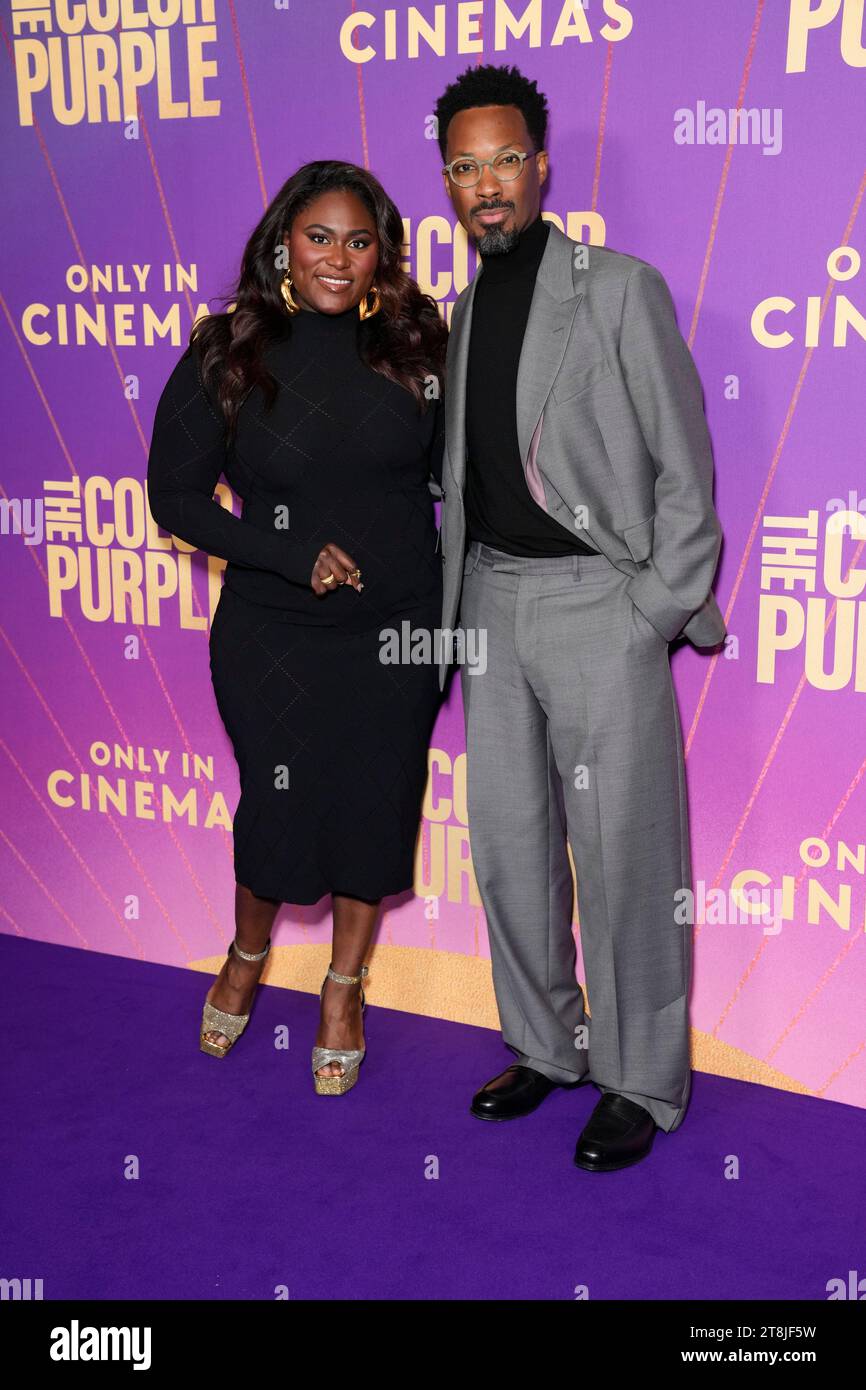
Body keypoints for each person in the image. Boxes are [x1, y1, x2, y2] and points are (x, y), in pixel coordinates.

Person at [433, 64, 726, 1170]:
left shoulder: (617, 288)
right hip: (490, 612)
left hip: (598, 606)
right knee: (509, 853)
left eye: (504, 160)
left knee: (623, 857)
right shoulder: (460, 311)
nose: (486, 185)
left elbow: (684, 477)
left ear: (542, 164)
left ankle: (640, 1081)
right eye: (463, 168)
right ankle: (544, 1046)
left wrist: (649, 609)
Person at [146, 161, 447, 1096]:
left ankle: (344, 989)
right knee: (276, 805)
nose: (339, 259)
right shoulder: (229, 351)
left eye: (361, 242)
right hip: (275, 629)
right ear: (284, 242)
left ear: (381, 256)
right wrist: (288, 553)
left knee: (378, 801)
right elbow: (175, 496)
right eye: (320, 237)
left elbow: (454, 475)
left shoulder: (415, 346)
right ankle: (244, 954)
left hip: (400, 628)